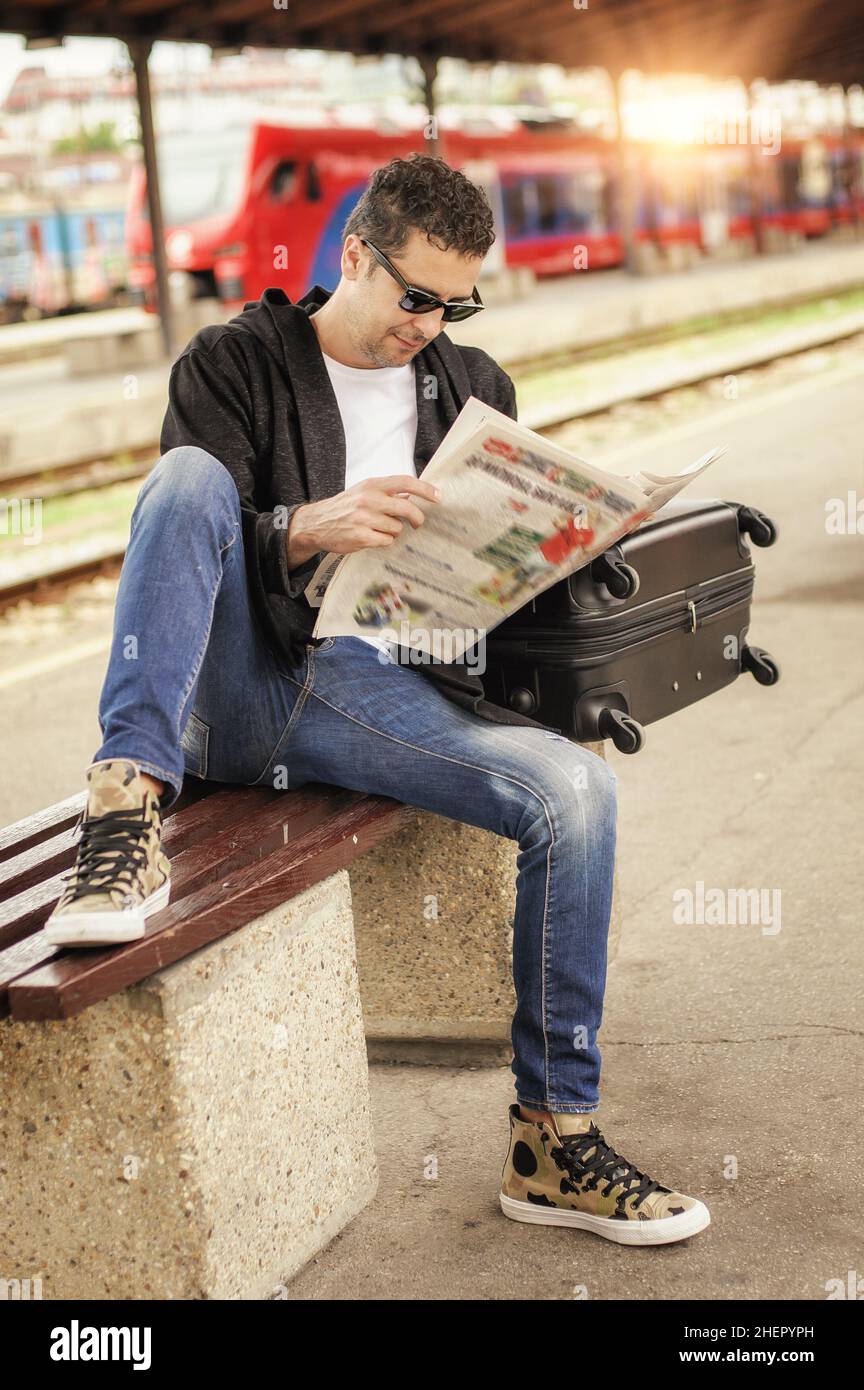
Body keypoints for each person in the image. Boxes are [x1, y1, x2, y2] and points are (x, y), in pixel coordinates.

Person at [45, 153, 709, 1245]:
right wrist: (309, 526)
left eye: (455, 301)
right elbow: (197, 541)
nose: (430, 323)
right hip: (252, 678)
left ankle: (553, 1142)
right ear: (354, 255)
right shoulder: (233, 363)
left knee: (578, 793)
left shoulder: (471, 382)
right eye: (414, 297)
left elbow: (484, 577)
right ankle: (125, 813)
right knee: (184, 480)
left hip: (394, 679)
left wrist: (569, 538)